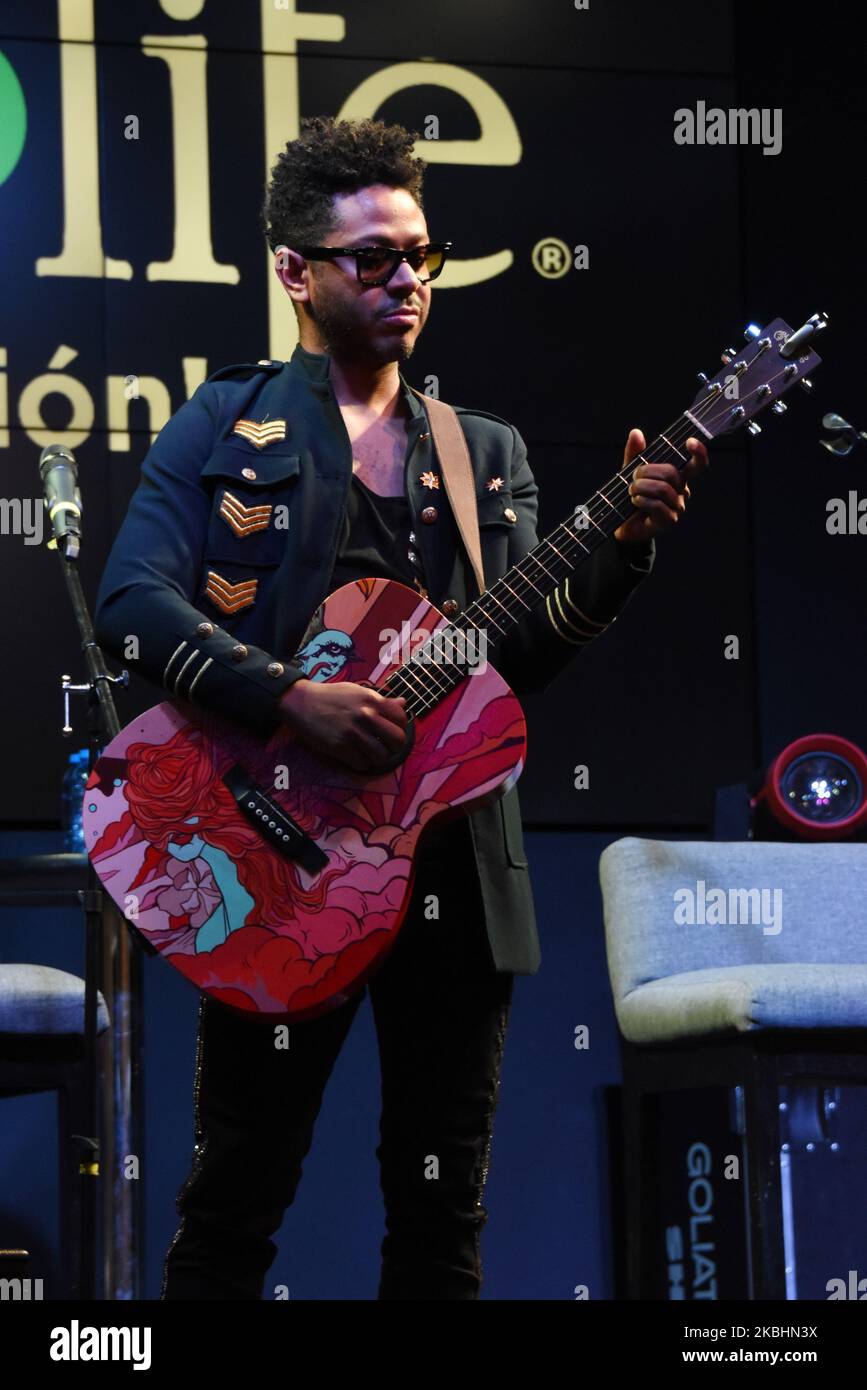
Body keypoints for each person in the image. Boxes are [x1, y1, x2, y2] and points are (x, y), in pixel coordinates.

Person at [93, 115, 707, 1300]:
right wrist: (289, 698)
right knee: (234, 1205)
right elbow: (130, 604)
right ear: (295, 271)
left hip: (454, 866)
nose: (407, 279)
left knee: (441, 1213)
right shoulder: (222, 422)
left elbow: (515, 663)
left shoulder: (486, 452)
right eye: (372, 257)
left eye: (421, 254)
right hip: (278, 857)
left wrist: (623, 549)